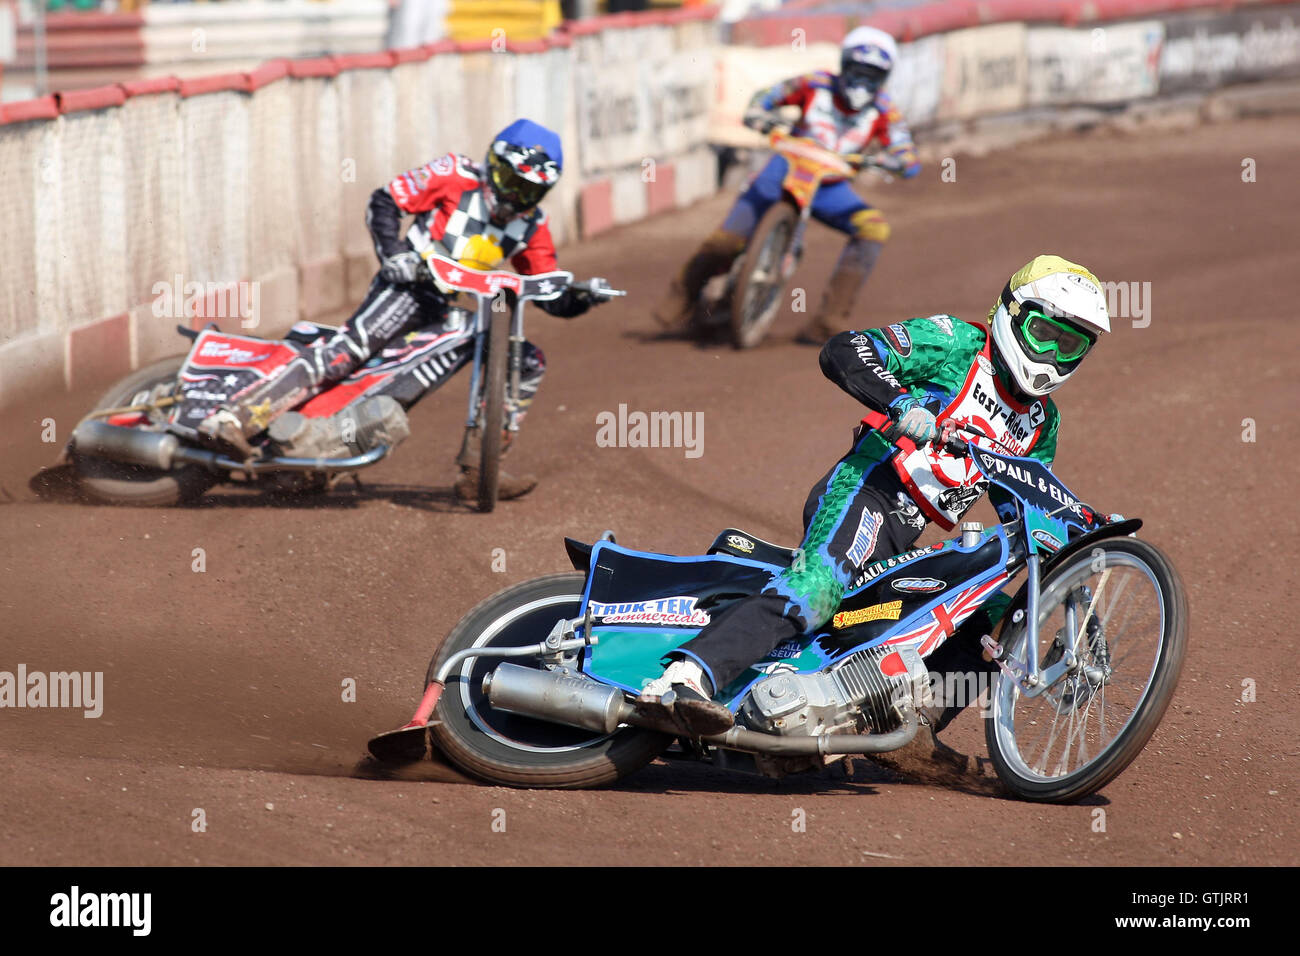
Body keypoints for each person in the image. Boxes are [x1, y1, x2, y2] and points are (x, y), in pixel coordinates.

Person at [639, 255, 1113, 737]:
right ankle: (684, 679)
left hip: (908, 534)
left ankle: (915, 736)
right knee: (819, 587)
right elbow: (846, 349)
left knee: (992, 620)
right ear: (1012, 315)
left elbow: (1026, 513)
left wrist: (1080, 609)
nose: (1053, 355)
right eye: (1044, 334)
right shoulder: (956, 342)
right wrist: (902, 404)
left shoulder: (1043, 423)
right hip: (867, 490)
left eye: (1070, 346)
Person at [198, 118, 604, 501]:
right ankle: (233, 418)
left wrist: (580, 299)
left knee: (522, 360)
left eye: (530, 191)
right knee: (347, 352)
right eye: (512, 182)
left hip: (450, 307)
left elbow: (546, 288)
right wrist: (393, 254)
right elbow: (385, 201)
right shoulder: (454, 173)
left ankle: (480, 469)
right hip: (407, 284)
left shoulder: (532, 224)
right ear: (494, 163)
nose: (516, 197)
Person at [652, 26, 920, 345]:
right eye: (857, 72)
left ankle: (828, 321)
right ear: (844, 66)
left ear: (884, 78)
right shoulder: (814, 84)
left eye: (872, 75)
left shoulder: (885, 111)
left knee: (874, 229)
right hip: (783, 170)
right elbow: (767, 97)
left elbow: (907, 153)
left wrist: (897, 160)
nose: (862, 83)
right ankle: (681, 297)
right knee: (725, 243)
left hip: (830, 187)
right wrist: (759, 114)